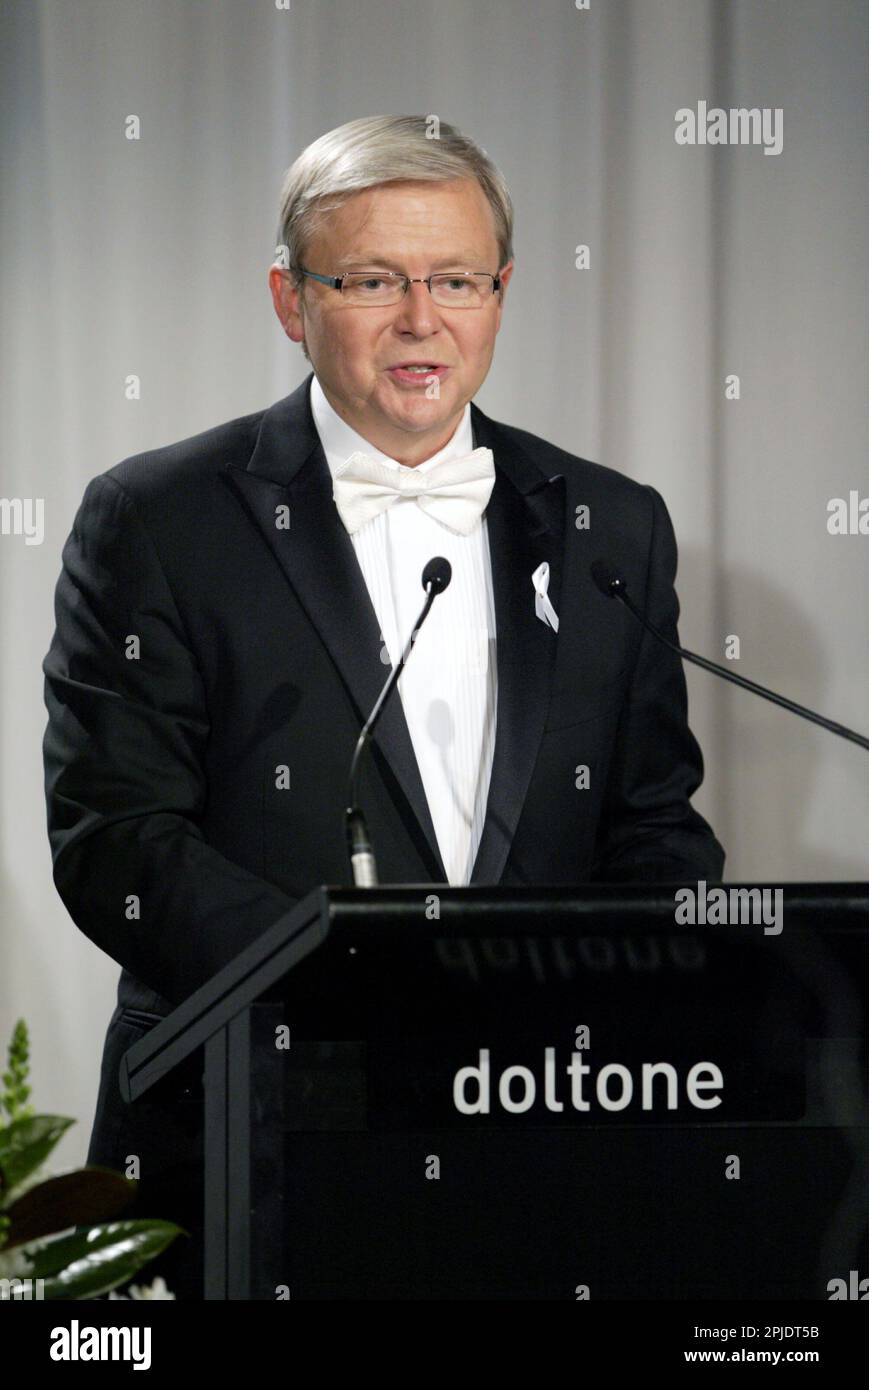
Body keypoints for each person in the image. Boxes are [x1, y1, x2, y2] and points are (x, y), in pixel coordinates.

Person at [41, 114, 725, 1298]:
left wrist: (629, 989)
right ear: (288, 298)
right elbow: (118, 840)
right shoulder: (158, 518)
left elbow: (652, 823)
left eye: (455, 277)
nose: (423, 318)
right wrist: (376, 997)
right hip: (244, 1136)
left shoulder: (610, 525)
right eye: (371, 279)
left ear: (501, 291)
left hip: (536, 1131)